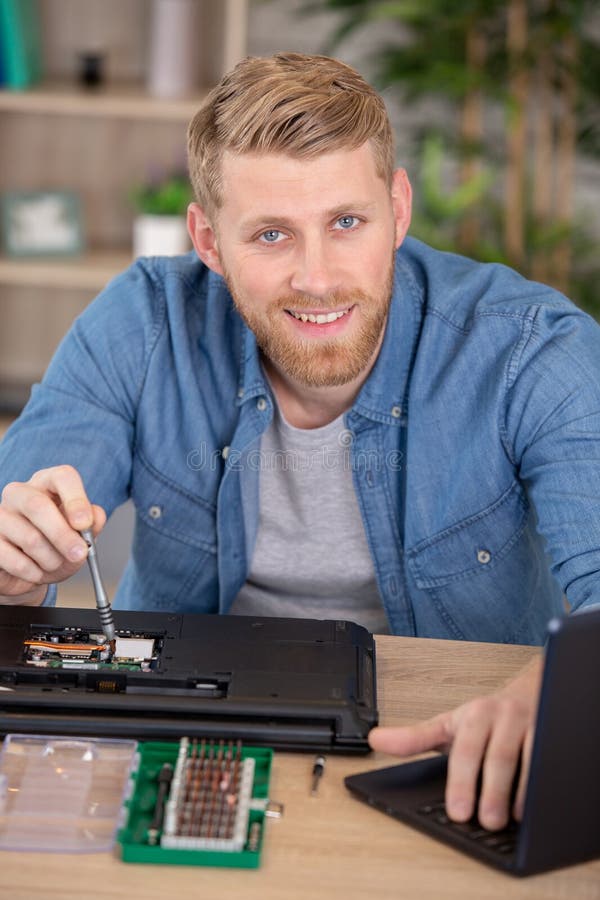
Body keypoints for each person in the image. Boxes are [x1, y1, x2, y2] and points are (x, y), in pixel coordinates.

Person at [0, 52, 599, 833]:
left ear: (399, 209)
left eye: (347, 223)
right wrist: (15, 568)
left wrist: (556, 689)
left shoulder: (529, 349)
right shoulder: (142, 325)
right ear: (208, 241)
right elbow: (17, 530)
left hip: (450, 755)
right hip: (181, 743)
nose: (317, 279)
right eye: (272, 234)